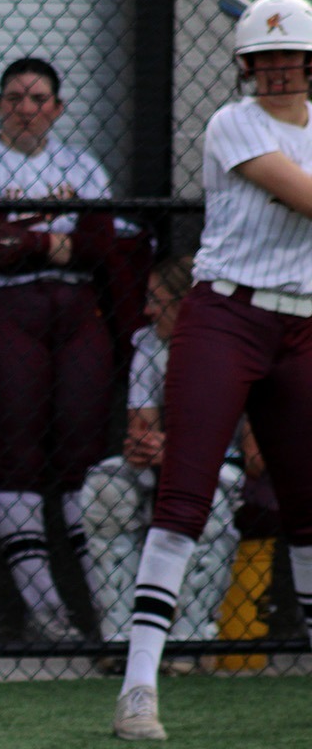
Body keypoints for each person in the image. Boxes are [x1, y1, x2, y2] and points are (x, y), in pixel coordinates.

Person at [113, 0, 312, 741]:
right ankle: (138, 689)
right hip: (225, 317)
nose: (277, 72)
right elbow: (302, 195)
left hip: (304, 323)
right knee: (186, 495)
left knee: (308, 511)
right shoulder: (234, 123)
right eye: (263, 60)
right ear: (245, 67)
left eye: (290, 57)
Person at [0, 58, 136, 643]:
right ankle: (46, 610)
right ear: (0, 104)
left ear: (57, 107)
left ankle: (110, 610)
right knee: (19, 456)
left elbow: (103, 247)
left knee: (81, 456)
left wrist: (28, 239)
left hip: (77, 313)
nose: (26, 107)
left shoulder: (81, 165)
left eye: (38, 98)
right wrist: (62, 243)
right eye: (14, 97)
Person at [79, 256, 250, 646]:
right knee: (108, 487)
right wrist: (144, 446)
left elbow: (255, 456)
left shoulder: (240, 344)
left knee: (211, 500)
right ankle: (121, 637)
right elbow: (141, 430)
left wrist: (181, 452)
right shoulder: (150, 344)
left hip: (225, 464)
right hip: (168, 460)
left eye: (157, 299)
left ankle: (190, 638)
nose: (148, 309)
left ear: (186, 303)